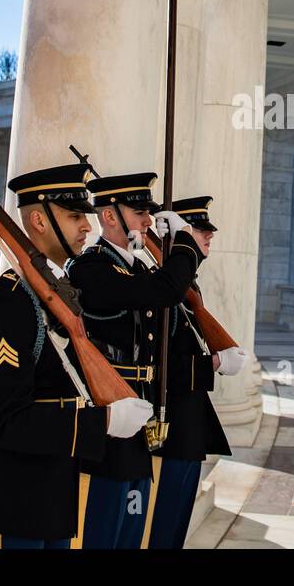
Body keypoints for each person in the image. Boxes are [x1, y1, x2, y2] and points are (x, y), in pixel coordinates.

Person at [0, 163, 152, 548]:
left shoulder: (55, 296)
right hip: (4, 503)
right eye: (74, 216)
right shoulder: (6, 301)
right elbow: (6, 421)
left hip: (47, 502)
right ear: (38, 219)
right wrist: (101, 422)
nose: (88, 226)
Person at [67, 171, 205, 548]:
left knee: (130, 529)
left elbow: (180, 292)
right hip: (111, 413)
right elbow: (165, 290)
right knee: (106, 527)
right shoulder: (90, 268)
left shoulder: (136, 267)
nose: (148, 220)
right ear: (110, 216)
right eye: (139, 211)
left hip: (139, 411)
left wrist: (179, 252)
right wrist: (184, 242)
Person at [143, 195, 246, 548]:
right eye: (198, 229)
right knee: (161, 526)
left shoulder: (189, 286)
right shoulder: (159, 287)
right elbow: (156, 365)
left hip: (187, 426)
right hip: (169, 429)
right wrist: (213, 364)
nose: (208, 235)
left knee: (174, 527)